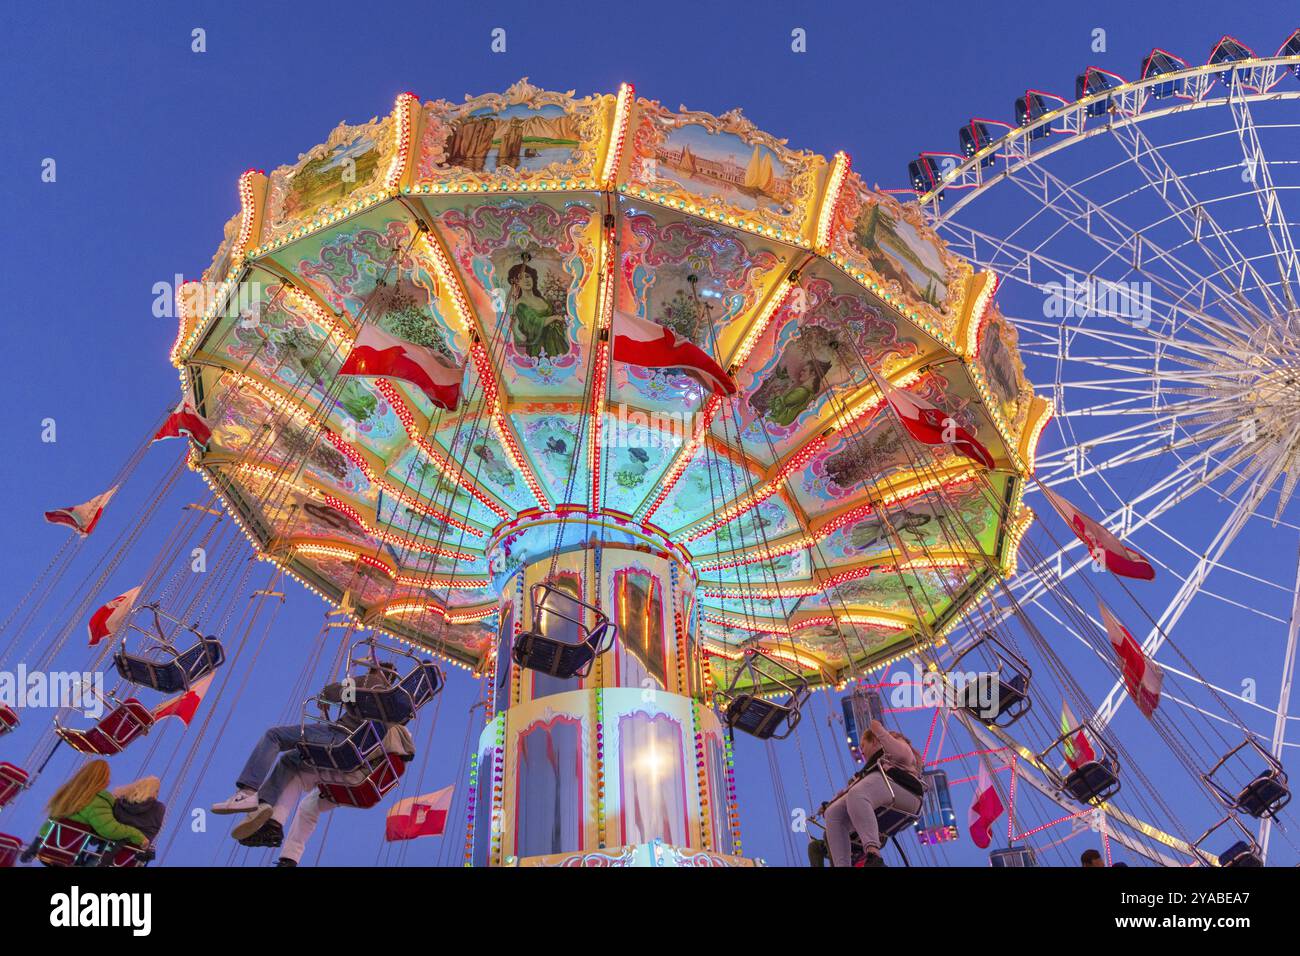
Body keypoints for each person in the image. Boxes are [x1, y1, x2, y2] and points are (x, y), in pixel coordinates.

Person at [211, 664, 398, 826]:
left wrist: (327, 695)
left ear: (375, 671)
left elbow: (333, 693)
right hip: (355, 753)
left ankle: (246, 791)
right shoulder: (392, 709)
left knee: (274, 736)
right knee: (289, 761)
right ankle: (263, 803)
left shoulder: (369, 681)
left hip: (340, 738)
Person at [238, 722, 416, 865]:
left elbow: (358, 749)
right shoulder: (401, 746)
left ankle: (273, 825)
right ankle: (289, 859)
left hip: (353, 774)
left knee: (295, 770)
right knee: (308, 807)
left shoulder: (384, 728)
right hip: (359, 788)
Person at [823, 719, 924, 867]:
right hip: (886, 790)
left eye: (863, 745)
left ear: (875, 742)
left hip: (907, 793)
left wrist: (879, 730)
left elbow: (902, 755)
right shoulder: (871, 770)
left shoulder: (897, 748)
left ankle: (873, 853)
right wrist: (834, 800)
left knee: (857, 793)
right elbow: (853, 787)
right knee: (833, 812)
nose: (862, 751)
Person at [22, 760, 149, 863]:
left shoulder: (67, 794)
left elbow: (51, 822)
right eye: (107, 777)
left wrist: (37, 843)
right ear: (103, 779)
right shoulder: (98, 801)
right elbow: (109, 829)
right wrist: (136, 835)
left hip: (48, 851)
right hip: (71, 856)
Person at [111, 776, 167, 842]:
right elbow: (153, 830)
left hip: (114, 840)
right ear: (156, 791)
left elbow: (114, 818)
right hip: (137, 846)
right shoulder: (159, 808)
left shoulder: (122, 801)